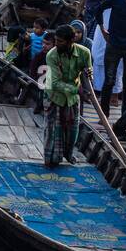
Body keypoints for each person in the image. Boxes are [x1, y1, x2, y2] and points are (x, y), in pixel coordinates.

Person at [42, 24, 92, 168]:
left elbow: (87, 74)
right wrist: (78, 91)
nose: (56, 44)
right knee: (52, 131)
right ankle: (50, 159)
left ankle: (69, 154)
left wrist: (88, 78)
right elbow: (56, 83)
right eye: (56, 40)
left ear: (71, 41)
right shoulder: (52, 55)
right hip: (54, 95)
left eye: (60, 41)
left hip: (72, 98)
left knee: (73, 130)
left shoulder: (84, 53)